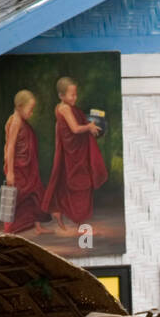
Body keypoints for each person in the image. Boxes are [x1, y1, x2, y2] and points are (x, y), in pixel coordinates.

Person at [42, 76, 108, 235]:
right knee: (80, 185)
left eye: (75, 94)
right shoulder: (65, 109)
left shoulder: (60, 107)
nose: (75, 98)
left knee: (70, 185)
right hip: (73, 155)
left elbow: (60, 128)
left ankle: (60, 212)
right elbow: (75, 129)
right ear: (61, 95)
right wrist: (89, 126)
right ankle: (80, 224)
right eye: (71, 95)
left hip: (74, 151)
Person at [2, 90, 50, 234]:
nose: (32, 113)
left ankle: (37, 226)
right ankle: (10, 230)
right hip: (19, 168)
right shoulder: (15, 121)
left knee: (35, 195)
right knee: (17, 198)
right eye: (30, 109)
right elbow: (10, 147)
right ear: (20, 107)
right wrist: (10, 172)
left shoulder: (21, 121)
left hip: (28, 167)